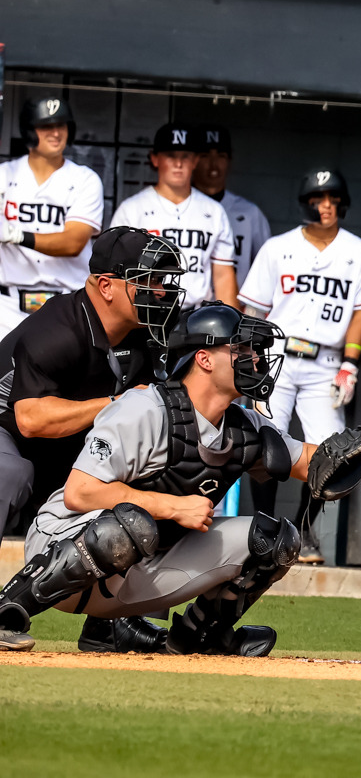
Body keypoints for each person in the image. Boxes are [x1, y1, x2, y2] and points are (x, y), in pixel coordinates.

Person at [0, 302, 361, 656]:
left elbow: (309, 463)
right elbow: (80, 492)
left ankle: (196, 640)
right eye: (240, 350)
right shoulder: (144, 408)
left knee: (277, 540)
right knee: (131, 524)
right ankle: (7, 612)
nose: (253, 359)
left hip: (137, 572)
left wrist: (341, 456)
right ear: (203, 359)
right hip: (59, 548)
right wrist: (172, 506)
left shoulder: (246, 425)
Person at [0, 227, 183, 653]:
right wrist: (117, 402)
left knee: (153, 474)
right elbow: (29, 419)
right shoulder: (59, 327)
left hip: (67, 447)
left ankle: (110, 624)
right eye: (147, 281)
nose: (159, 292)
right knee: (10, 471)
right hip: (10, 434)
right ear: (106, 286)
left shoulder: (150, 333)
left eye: (163, 281)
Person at [238, 168, 361, 564]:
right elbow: (254, 310)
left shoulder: (360, 251)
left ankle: (302, 533)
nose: (326, 206)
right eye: (318, 198)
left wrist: (350, 363)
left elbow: (360, 313)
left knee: (332, 455)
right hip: (277, 354)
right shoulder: (279, 247)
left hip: (325, 361)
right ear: (306, 202)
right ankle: (263, 530)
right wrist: (250, 357)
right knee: (265, 442)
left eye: (332, 199)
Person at [0, 98, 105, 337]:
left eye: (62, 125)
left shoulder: (84, 180)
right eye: (46, 126)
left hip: (65, 302)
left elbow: (73, 243)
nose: (56, 133)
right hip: (6, 302)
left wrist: (14, 235)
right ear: (29, 131)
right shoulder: (4, 176)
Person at [111, 124, 238, 309]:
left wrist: (230, 330)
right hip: (144, 312)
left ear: (195, 161)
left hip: (195, 316)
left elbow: (223, 276)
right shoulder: (132, 209)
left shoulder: (214, 211)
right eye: (171, 156)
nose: (178, 164)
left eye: (185, 156)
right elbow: (115, 272)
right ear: (155, 159)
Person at [191, 126, 271, 288]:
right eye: (205, 156)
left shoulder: (249, 213)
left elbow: (267, 268)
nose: (213, 165)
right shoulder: (181, 209)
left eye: (221, 156)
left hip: (233, 308)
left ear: (229, 160)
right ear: (193, 161)